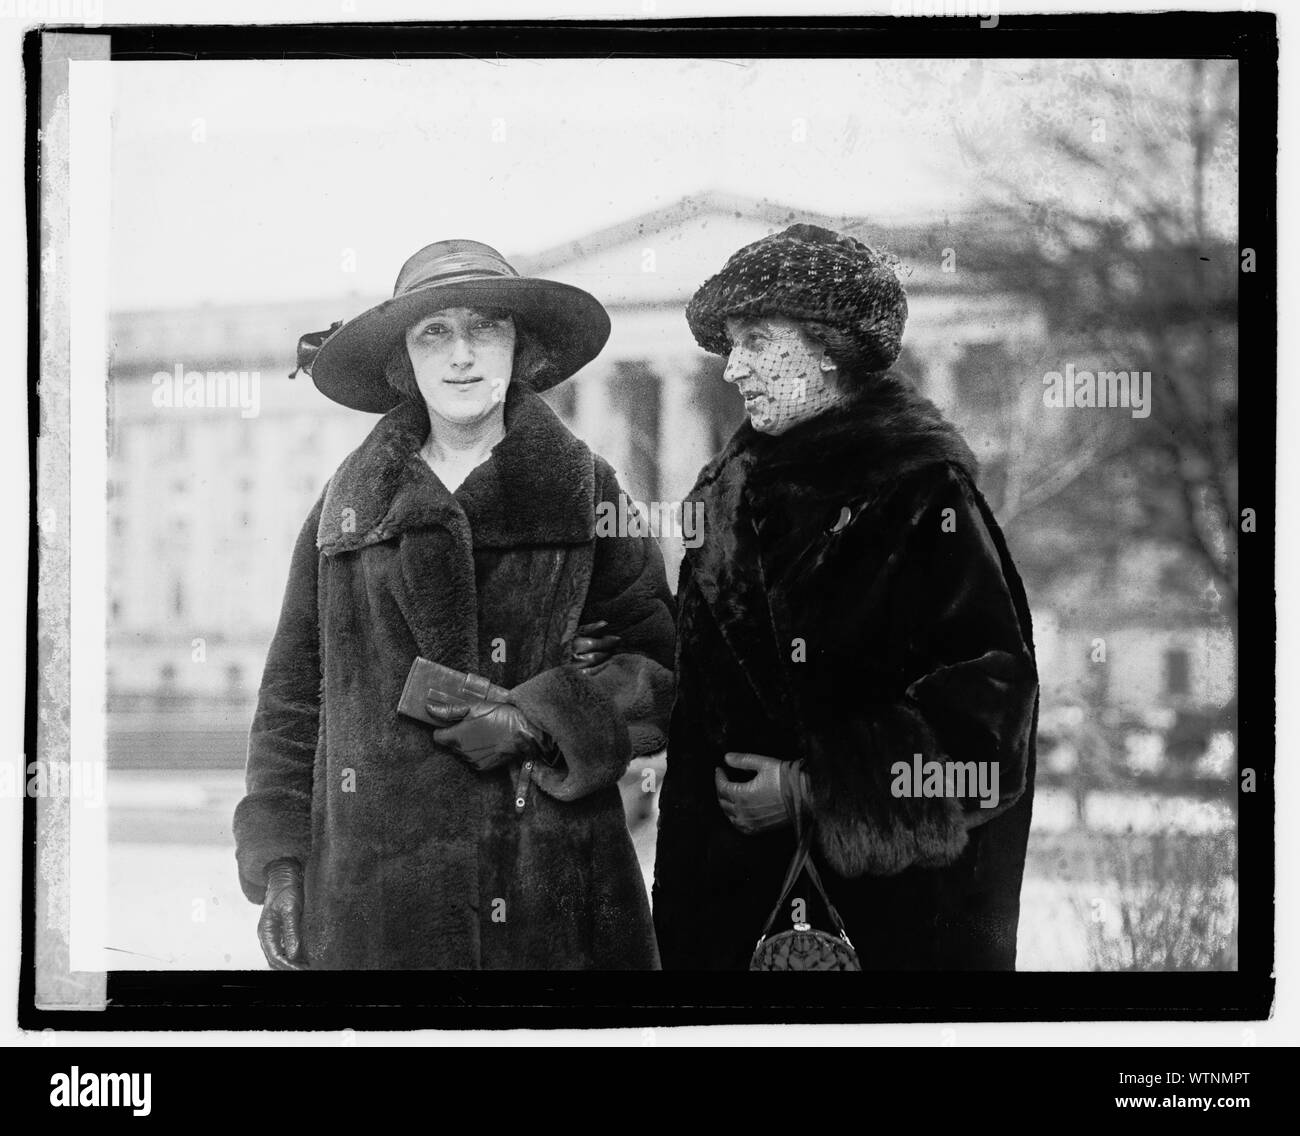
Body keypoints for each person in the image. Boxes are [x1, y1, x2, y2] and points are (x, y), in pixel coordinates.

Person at [233, 239, 675, 970]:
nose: (461, 355)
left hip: (552, 882)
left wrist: (532, 721)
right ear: (404, 360)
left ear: (521, 348)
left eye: (485, 328)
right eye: (434, 332)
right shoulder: (346, 506)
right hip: (372, 894)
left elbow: (657, 663)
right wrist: (281, 864)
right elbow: (291, 697)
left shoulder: (586, 491)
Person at [652, 224, 1039, 970]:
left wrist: (814, 789)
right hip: (723, 921)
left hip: (884, 930)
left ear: (832, 350)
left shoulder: (923, 497)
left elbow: (989, 728)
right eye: (730, 344)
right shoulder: (721, 499)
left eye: (759, 341)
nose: (733, 369)